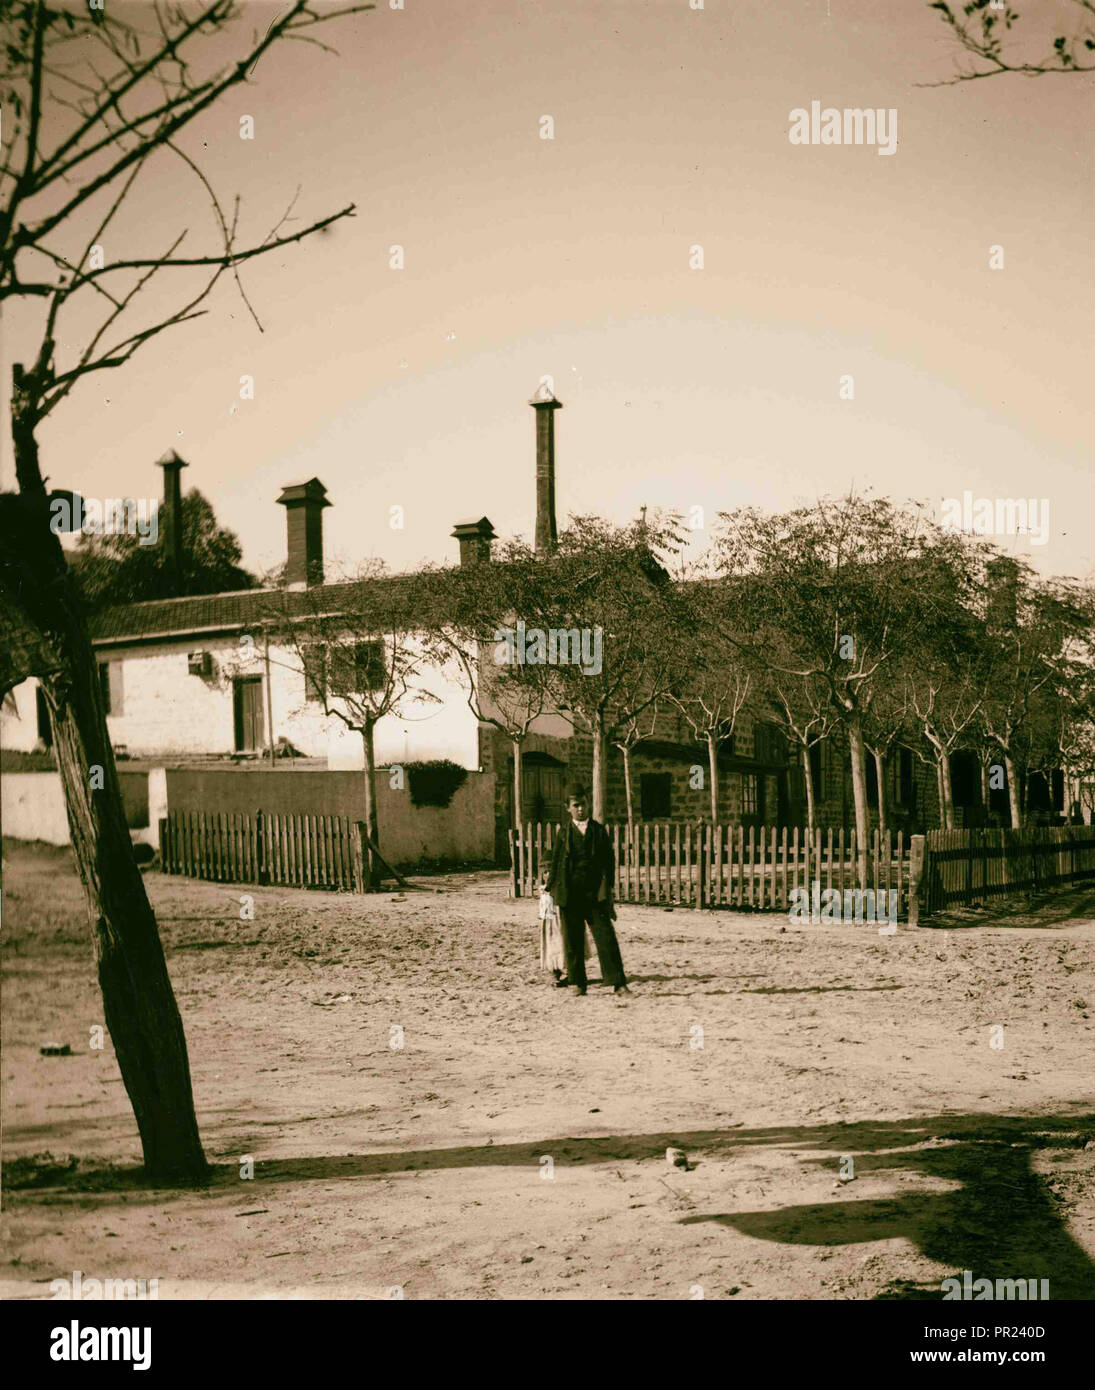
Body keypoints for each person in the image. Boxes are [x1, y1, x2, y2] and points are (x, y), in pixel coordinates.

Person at [544, 785, 630, 996]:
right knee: (572, 939)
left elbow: (609, 863)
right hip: (570, 893)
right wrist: (550, 889)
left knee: (605, 936)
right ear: (568, 808)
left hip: (594, 894)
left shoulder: (598, 831)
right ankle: (577, 983)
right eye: (576, 805)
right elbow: (555, 862)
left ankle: (618, 983)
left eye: (584, 804)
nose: (581, 809)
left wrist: (607, 889)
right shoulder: (563, 833)